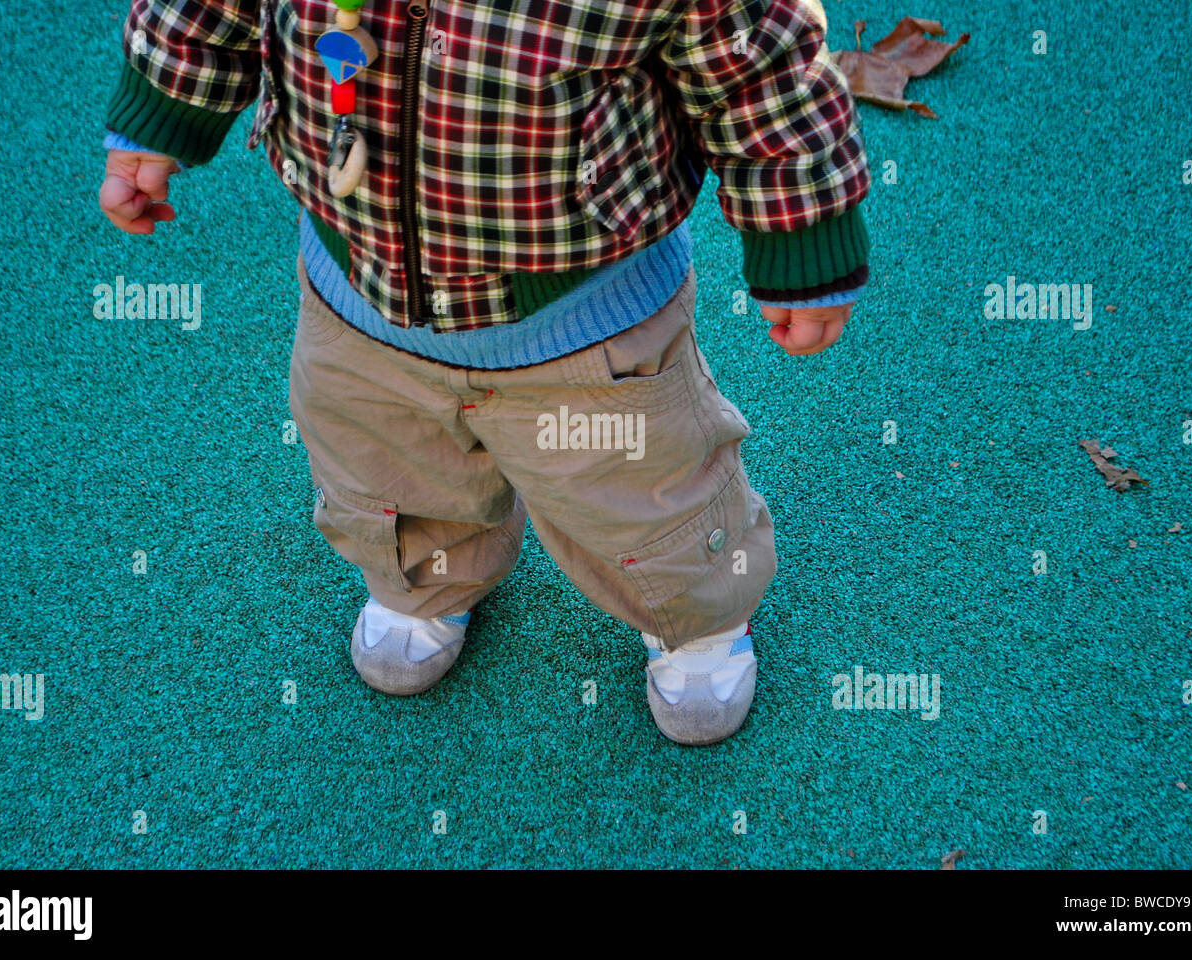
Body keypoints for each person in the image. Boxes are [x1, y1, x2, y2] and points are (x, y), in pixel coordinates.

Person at [98, 0, 871, 745]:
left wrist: (804, 228)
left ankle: (697, 618)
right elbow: (204, 6)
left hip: (586, 313)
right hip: (357, 293)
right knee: (385, 464)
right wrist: (159, 112)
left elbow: (760, 64)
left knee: (644, 484)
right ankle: (429, 577)